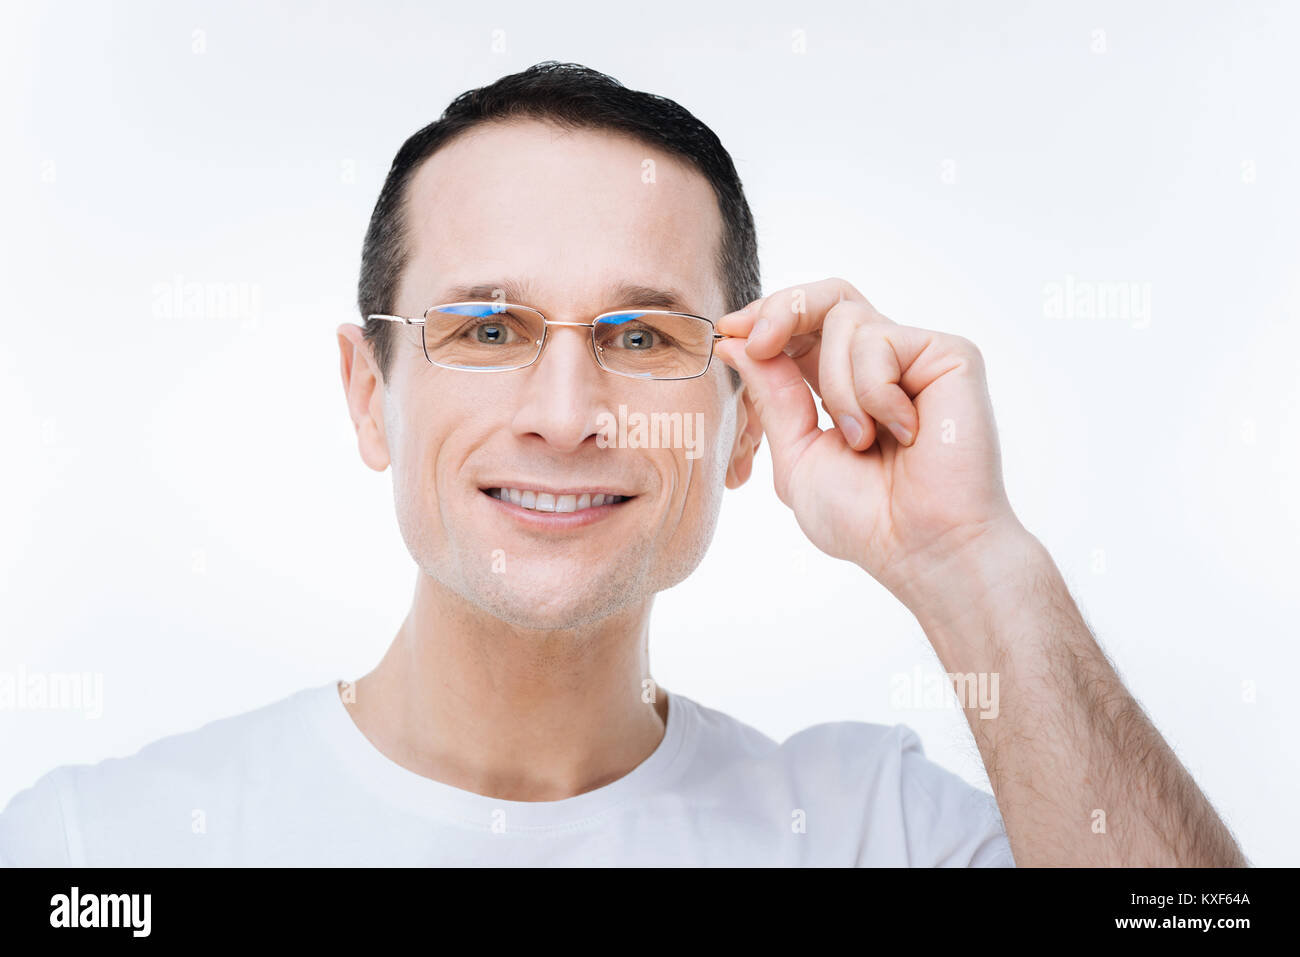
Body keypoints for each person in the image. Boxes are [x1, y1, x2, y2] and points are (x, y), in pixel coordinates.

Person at [0, 62, 1246, 867]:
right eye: (484, 329)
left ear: (744, 420)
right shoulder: (98, 851)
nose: (564, 410)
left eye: (640, 335)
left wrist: (972, 565)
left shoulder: (879, 836)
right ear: (369, 397)